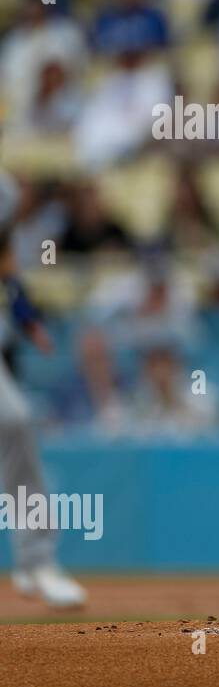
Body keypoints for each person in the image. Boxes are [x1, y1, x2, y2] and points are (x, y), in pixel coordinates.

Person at [0, 171, 87, 608]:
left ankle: (37, 560)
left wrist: (27, 318)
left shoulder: (4, 193)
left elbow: (5, 266)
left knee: (15, 419)